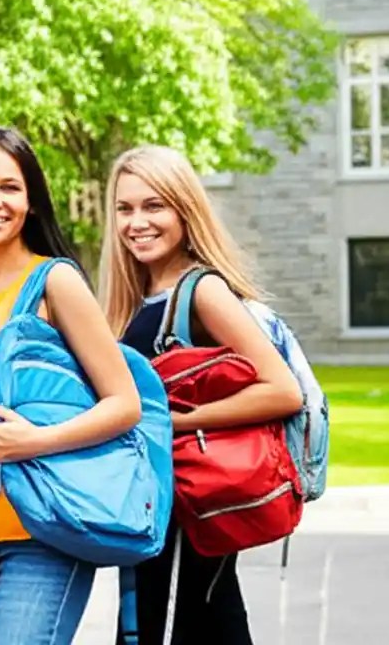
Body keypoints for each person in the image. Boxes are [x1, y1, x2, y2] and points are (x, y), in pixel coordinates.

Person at [0, 126, 142, 645]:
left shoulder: (55, 282)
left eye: (9, 187)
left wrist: (36, 441)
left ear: (31, 201)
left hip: (39, 533)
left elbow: (125, 403)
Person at [101, 145, 303, 645]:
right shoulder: (134, 299)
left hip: (193, 508)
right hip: (156, 509)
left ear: (184, 211)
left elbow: (282, 391)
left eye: (154, 206)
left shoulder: (201, 291)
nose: (137, 222)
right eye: (125, 209)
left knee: (188, 621)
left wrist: (175, 422)